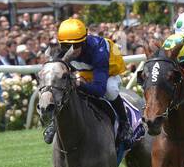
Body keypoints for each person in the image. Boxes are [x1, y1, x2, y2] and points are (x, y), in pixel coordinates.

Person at [54, 17, 131, 153]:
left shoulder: (98, 50)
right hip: (83, 72)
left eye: (75, 45)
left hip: (108, 71)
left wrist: (79, 85)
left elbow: (100, 90)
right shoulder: (60, 50)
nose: (70, 50)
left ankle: (125, 124)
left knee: (110, 90)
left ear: (84, 41)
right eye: (66, 46)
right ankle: (54, 123)